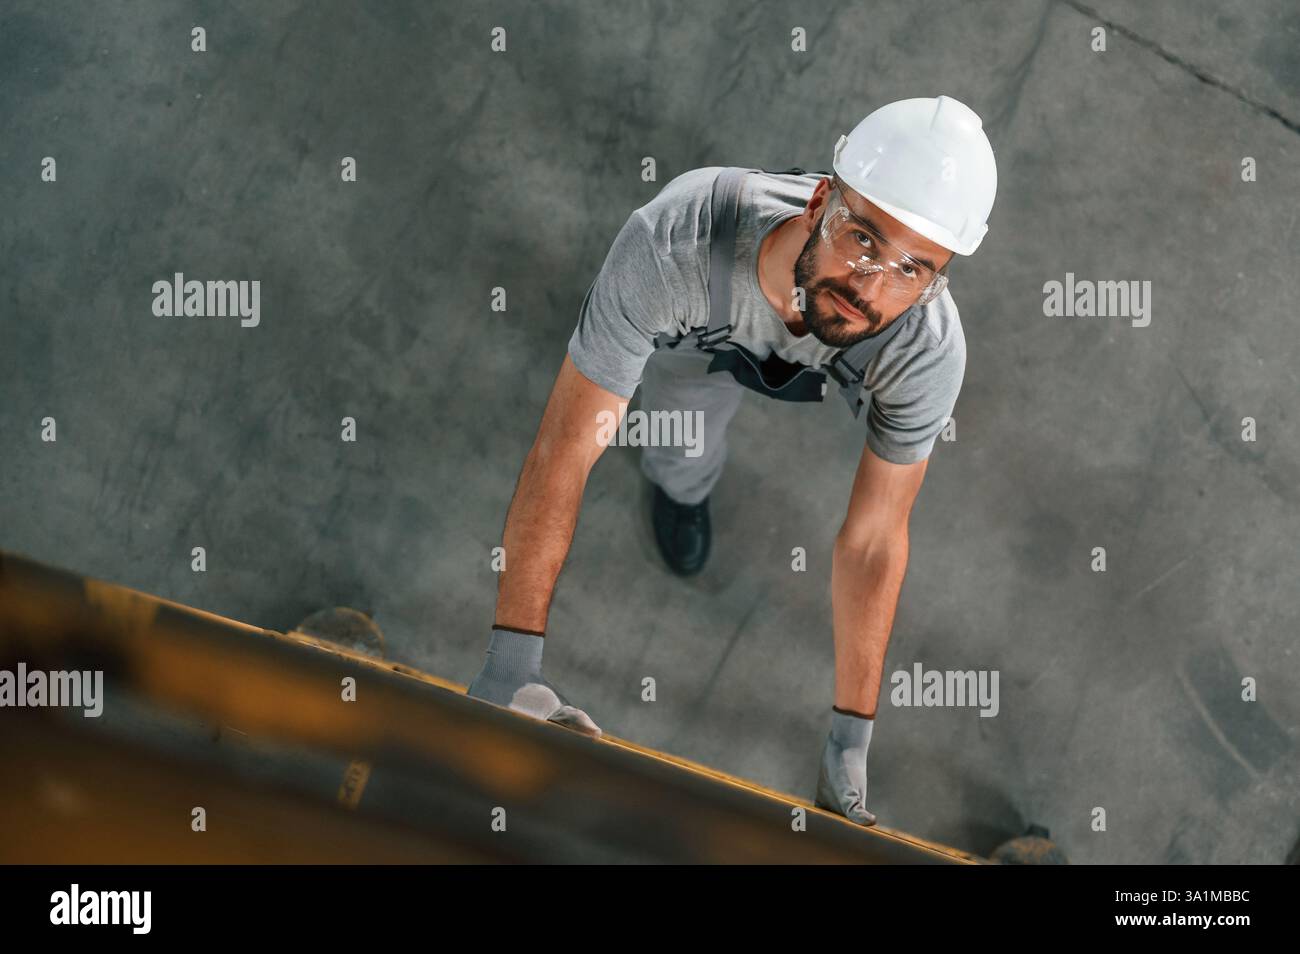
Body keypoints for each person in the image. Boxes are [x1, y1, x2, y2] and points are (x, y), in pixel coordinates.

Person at [466, 95, 998, 827]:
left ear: (937, 280)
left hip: (798, 352)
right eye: (861, 238)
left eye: (913, 268)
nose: (870, 285)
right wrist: (512, 663)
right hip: (699, 342)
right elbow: (568, 443)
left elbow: (874, 540)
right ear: (819, 200)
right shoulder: (676, 243)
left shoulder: (924, 348)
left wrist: (849, 743)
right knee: (683, 443)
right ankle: (680, 488)